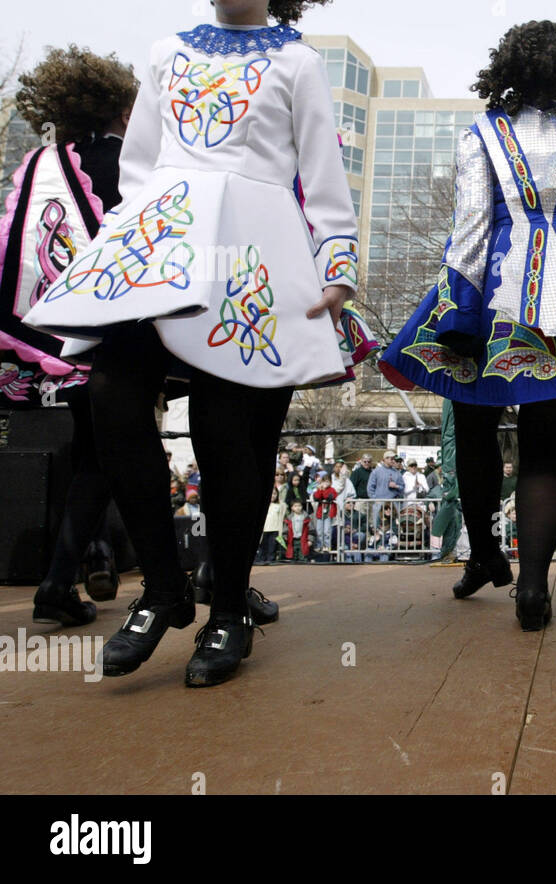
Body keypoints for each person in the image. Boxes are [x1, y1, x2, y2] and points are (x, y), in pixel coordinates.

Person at [22, 0, 371, 686]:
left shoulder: (298, 61)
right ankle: (162, 588)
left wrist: (336, 265)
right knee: (113, 394)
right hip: (165, 241)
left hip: (255, 251)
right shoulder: (163, 52)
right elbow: (139, 168)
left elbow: (324, 175)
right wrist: (128, 246)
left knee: (224, 430)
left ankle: (229, 609)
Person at [379, 20, 556, 630]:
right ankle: (532, 588)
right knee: (545, 451)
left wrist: (458, 308)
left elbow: (472, 226)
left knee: (473, 436)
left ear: (504, 71)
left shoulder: (483, 134)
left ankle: (484, 555)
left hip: (495, 293)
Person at [4, 46, 138, 626]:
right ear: (121, 111)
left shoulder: (38, 164)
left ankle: (85, 561)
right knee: (110, 456)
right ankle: (67, 577)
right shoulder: (129, 163)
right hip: (110, 334)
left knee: (91, 454)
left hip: (43, 333)